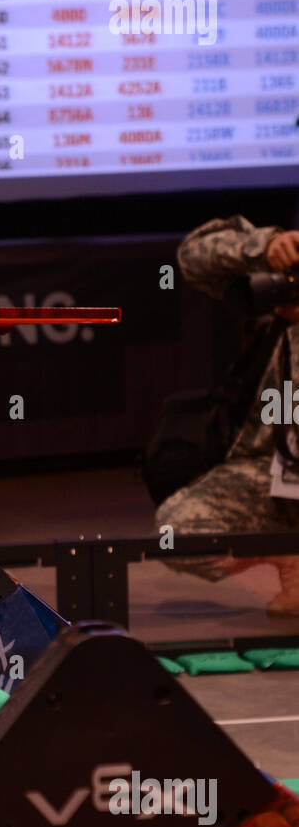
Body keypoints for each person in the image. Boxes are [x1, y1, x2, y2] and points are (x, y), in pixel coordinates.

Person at [157, 215, 299, 614]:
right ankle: (290, 563)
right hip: (271, 469)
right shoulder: (287, 265)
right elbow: (192, 257)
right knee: (176, 531)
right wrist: (266, 246)